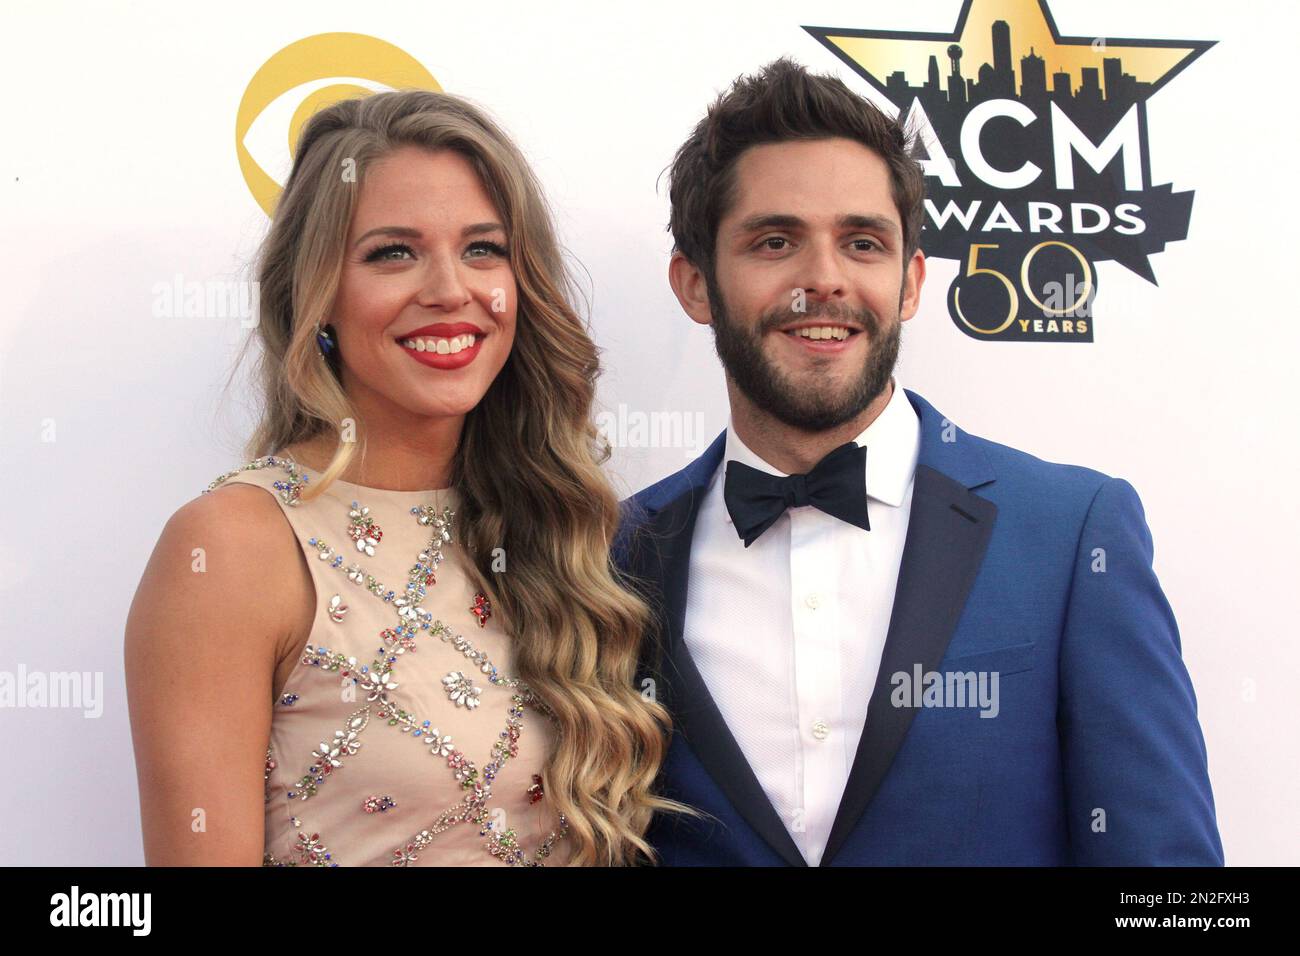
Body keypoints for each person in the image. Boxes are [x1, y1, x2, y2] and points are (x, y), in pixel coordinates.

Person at [614, 58, 1224, 866]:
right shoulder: (615, 556)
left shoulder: (1074, 536)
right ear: (695, 285)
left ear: (909, 283)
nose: (823, 281)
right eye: (774, 241)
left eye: (862, 242)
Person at [125, 89, 687, 866]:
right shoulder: (231, 548)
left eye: (483, 249)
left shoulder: (559, 527)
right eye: (393, 252)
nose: (450, 290)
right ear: (315, 291)